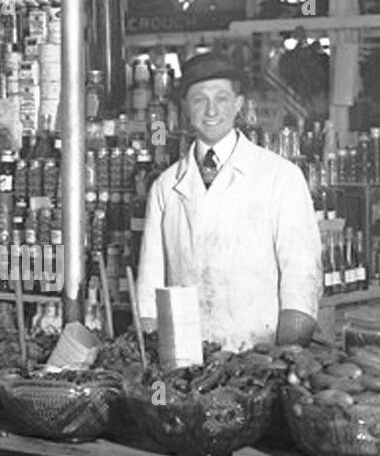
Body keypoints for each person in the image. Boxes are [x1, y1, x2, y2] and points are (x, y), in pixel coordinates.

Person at [136, 53, 322, 350]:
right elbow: (150, 283)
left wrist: (288, 352)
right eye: (199, 99)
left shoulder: (280, 176)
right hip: (187, 356)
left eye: (222, 98)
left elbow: (301, 273)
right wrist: (149, 347)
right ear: (185, 108)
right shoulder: (166, 186)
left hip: (259, 349)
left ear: (238, 105)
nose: (211, 110)